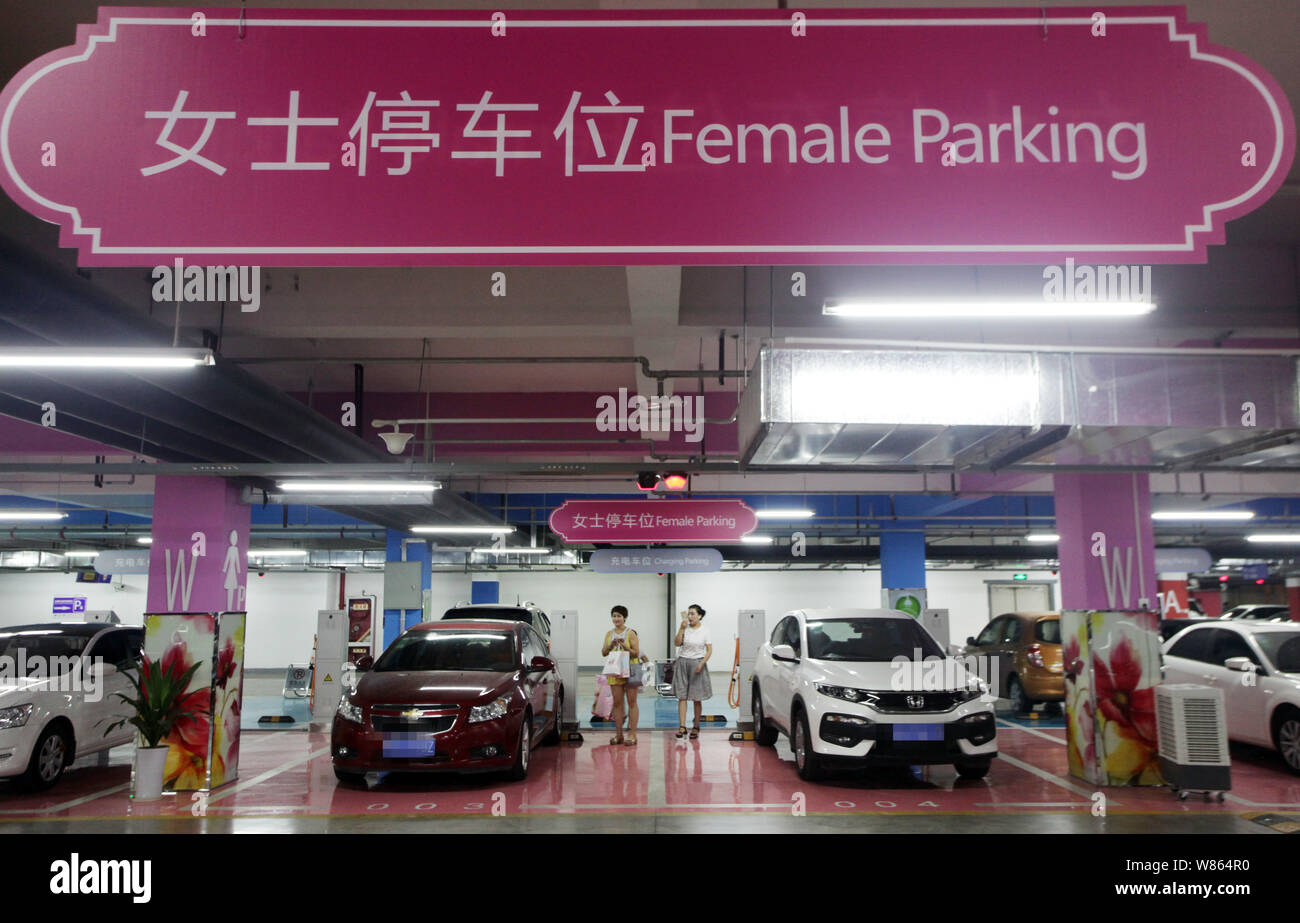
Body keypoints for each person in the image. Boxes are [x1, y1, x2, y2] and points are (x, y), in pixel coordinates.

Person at [601, 605, 640, 745]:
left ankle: (632, 734)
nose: (616, 619)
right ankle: (619, 735)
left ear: (624, 618)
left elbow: (636, 652)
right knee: (617, 703)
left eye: (619, 616)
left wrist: (625, 647)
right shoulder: (609, 634)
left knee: (632, 702)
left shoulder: (630, 633)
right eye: (614, 616)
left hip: (631, 668)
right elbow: (604, 652)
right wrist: (610, 645)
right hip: (615, 670)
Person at [673, 604, 713, 739]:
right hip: (683, 662)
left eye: (693, 614)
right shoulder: (685, 628)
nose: (690, 616)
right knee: (682, 696)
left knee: (697, 697)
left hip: (697, 663)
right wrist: (681, 628)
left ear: (699, 616)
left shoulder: (705, 631)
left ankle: (696, 726)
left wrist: (702, 663)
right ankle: (682, 726)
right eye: (689, 614)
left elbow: (709, 650)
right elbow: (677, 643)